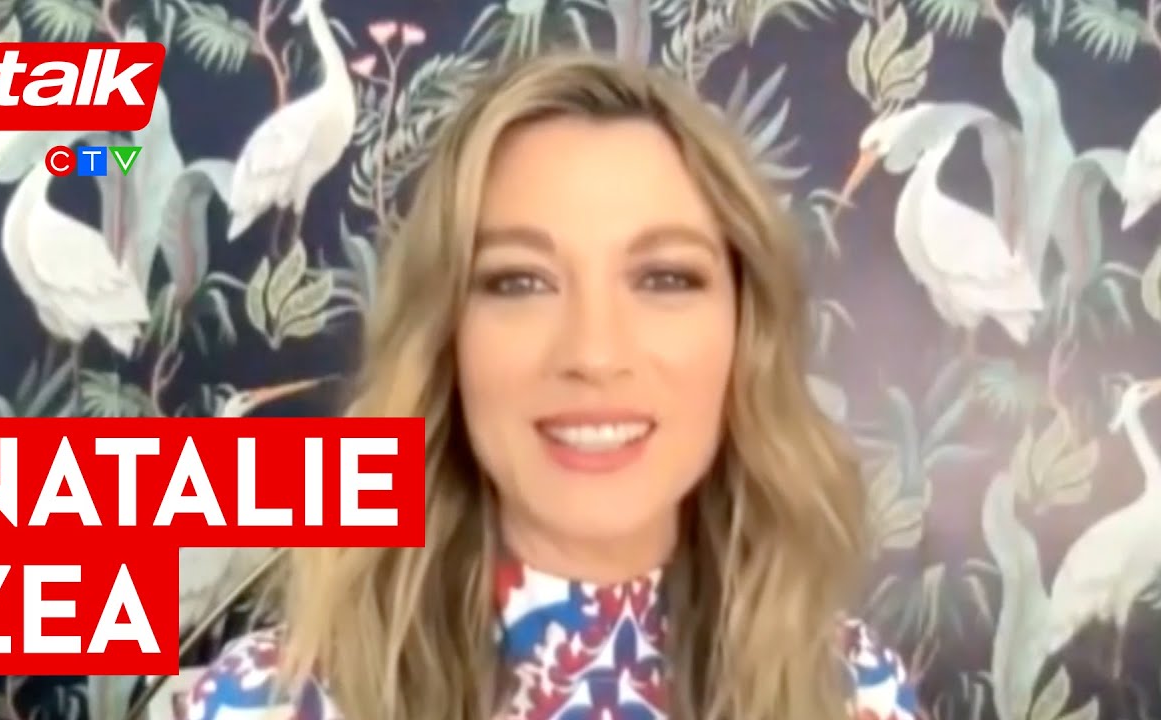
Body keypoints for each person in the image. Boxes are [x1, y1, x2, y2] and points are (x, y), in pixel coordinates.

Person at [185, 52, 920, 720]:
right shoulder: (266, 703)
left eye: (665, 278)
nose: (594, 354)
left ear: (744, 330)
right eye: (520, 281)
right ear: (446, 339)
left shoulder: (854, 691)